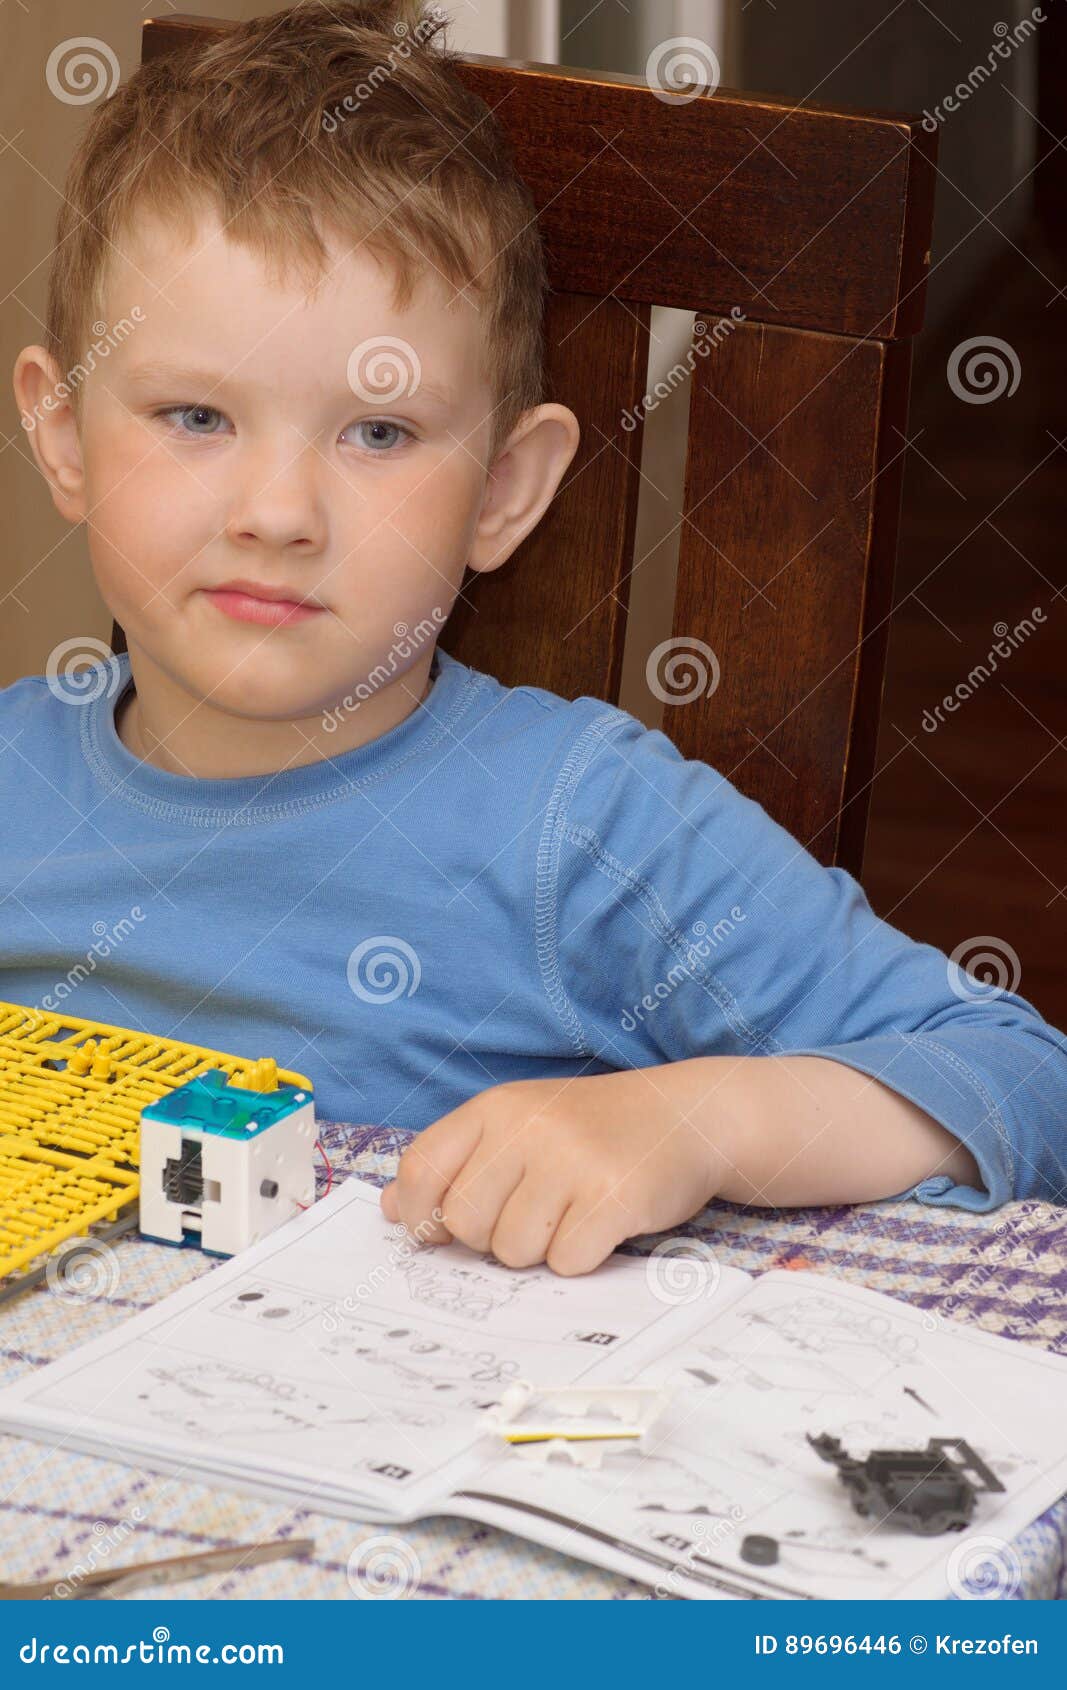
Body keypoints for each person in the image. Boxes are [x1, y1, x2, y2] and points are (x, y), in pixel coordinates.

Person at [7, 1, 1066, 1276]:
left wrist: (698, 1118)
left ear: (505, 489)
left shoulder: (586, 827)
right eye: (193, 415)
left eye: (380, 433)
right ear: (62, 434)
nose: (276, 514)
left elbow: (1023, 1085)